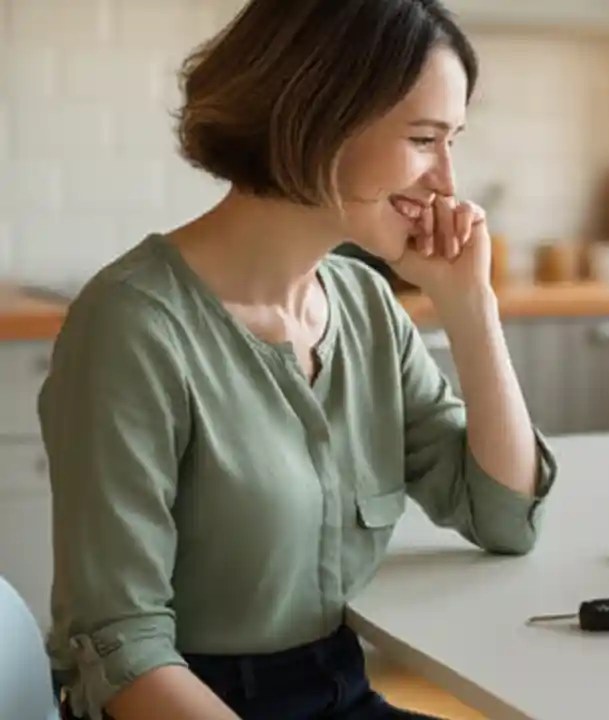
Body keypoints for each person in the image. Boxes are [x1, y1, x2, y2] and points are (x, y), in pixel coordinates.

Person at [38, 2, 557, 718]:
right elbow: (123, 652)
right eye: (424, 139)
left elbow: (505, 518)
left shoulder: (367, 308)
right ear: (319, 119)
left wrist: (471, 308)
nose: (446, 180)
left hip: (338, 695)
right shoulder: (133, 326)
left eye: (453, 141)